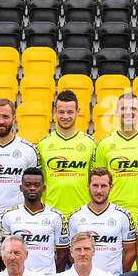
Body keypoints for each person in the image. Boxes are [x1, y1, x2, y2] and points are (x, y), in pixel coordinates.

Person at [93, 91, 138, 223]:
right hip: (113, 212)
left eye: (133, 108)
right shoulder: (104, 144)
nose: (128, 112)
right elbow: (98, 183)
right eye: (123, 108)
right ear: (116, 112)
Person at [36, 89, 99, 219]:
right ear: (54, 112)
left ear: (78, 112)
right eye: (61, 112)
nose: (65, 116)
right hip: (51, 214)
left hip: (83, 213)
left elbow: (97, 180)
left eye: (70, 112)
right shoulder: (43, 144)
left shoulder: (91, 143)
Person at [66, 167, 138, 275]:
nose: (99, 191)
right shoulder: (75, 217)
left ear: (111, 187)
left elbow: (131, 252)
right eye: (95, 185)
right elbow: (70, 252)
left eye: (103, 186)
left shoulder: (123, 215)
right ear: (88, 187)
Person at [0, 167, 66, 275]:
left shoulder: (56, 216)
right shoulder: (8, 216)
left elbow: (62, 253)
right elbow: (4, 252)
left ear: (44, 188)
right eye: (28, 184)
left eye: (37, 185)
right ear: (21, 188)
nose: (32, 188)